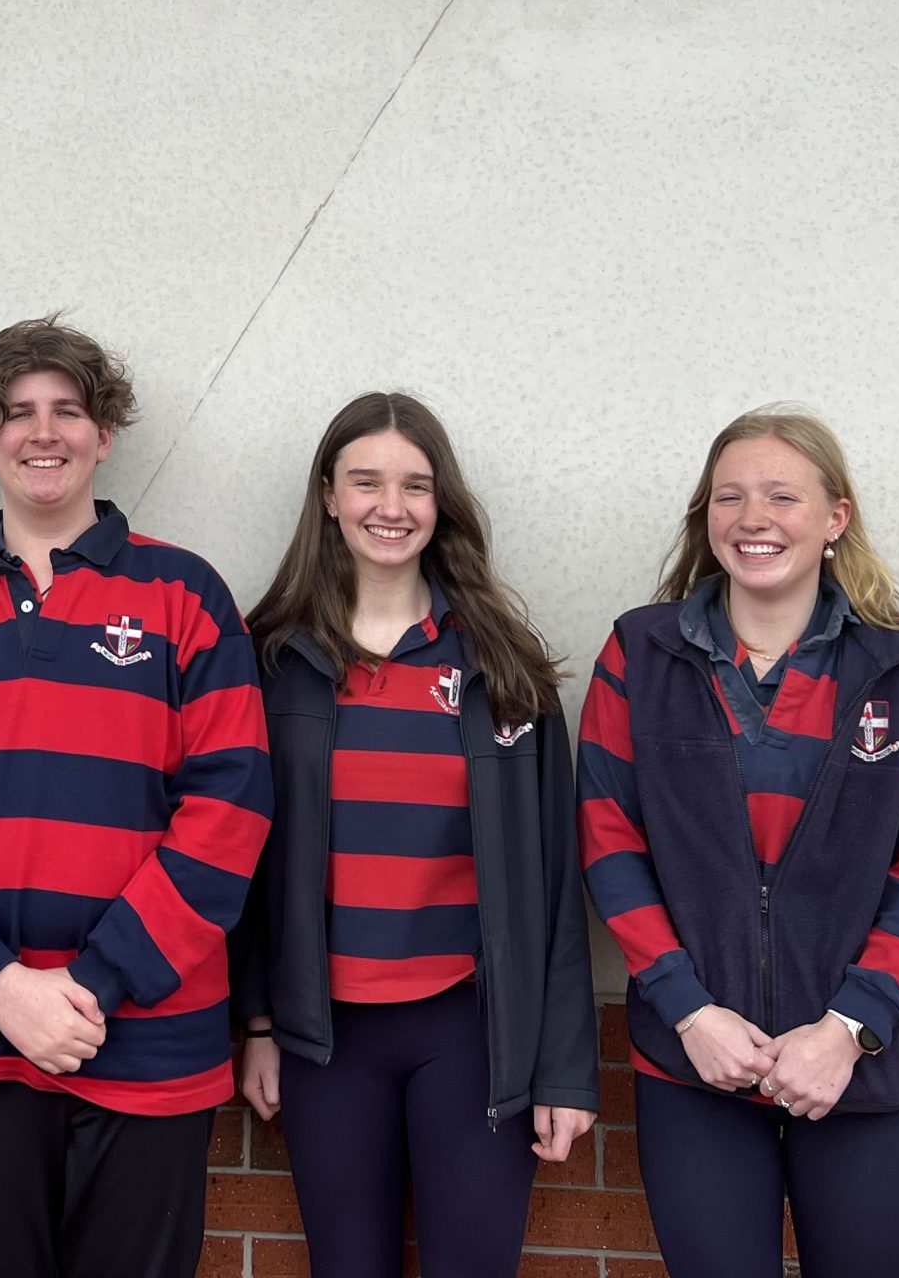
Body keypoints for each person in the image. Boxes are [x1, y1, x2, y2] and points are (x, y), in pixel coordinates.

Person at [0, 318, 271, 1278]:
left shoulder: (187, 597)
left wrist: (97, 985)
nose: (43, 433)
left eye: (67, 411)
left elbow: (230, 810)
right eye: (17, 412)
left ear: (104, 434)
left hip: (148, 1047)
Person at [577, 406, 899, 1278]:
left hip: (863, 1072)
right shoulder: (639, 655)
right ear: (707, 518)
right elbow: (611, 844)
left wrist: (846, 1030)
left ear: (835, 518)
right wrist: (690, 1010)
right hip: (697, 1067)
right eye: (729, 497)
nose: (752, 518)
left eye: (782, 496)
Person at [230, 393, 597, 1278]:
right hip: (324, 1039)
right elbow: (243, 861)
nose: (390, 507)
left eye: (415, 485)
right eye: (366, 482)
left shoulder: (503, 665)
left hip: (472, 1035)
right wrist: (258, 1024)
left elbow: (554, 880)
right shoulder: (270, 660)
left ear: (442, 502)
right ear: (328, 496)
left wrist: (564, 1071)